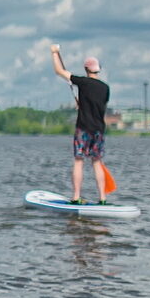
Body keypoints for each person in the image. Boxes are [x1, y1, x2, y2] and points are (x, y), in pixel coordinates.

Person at [50, 43, 110, 204]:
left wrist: (54, 53)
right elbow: (98, 105)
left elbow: (59, 71)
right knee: (97, 162)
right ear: (98, 69)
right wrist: (82, 104)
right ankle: (102, 199)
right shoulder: (106, 88)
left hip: (83, 128)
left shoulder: (83, 82)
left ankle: (76, 196)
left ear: (86, 69)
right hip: (98, 130)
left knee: (79, 161)